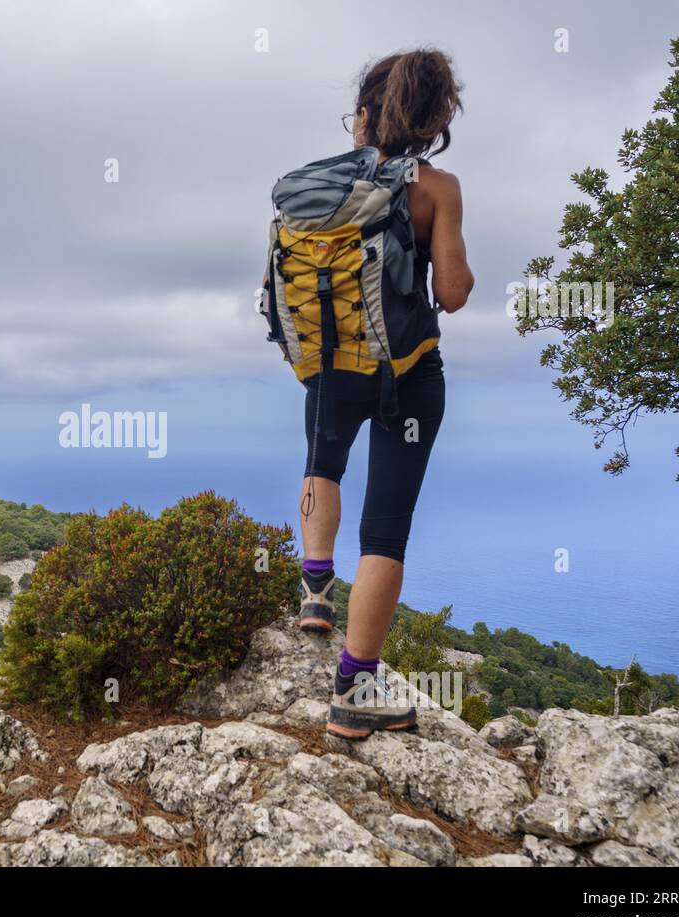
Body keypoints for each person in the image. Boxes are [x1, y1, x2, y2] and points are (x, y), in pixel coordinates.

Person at [294, 49, 475, 738]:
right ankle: (354, 688)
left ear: (365, 115)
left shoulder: (315, 185)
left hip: (332, 366)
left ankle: (315, 590)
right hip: (409, 374)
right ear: (433, 120)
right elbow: (452, 295)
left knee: (322, 466)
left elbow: (278, 285)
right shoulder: (440, 188)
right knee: (387, 530)